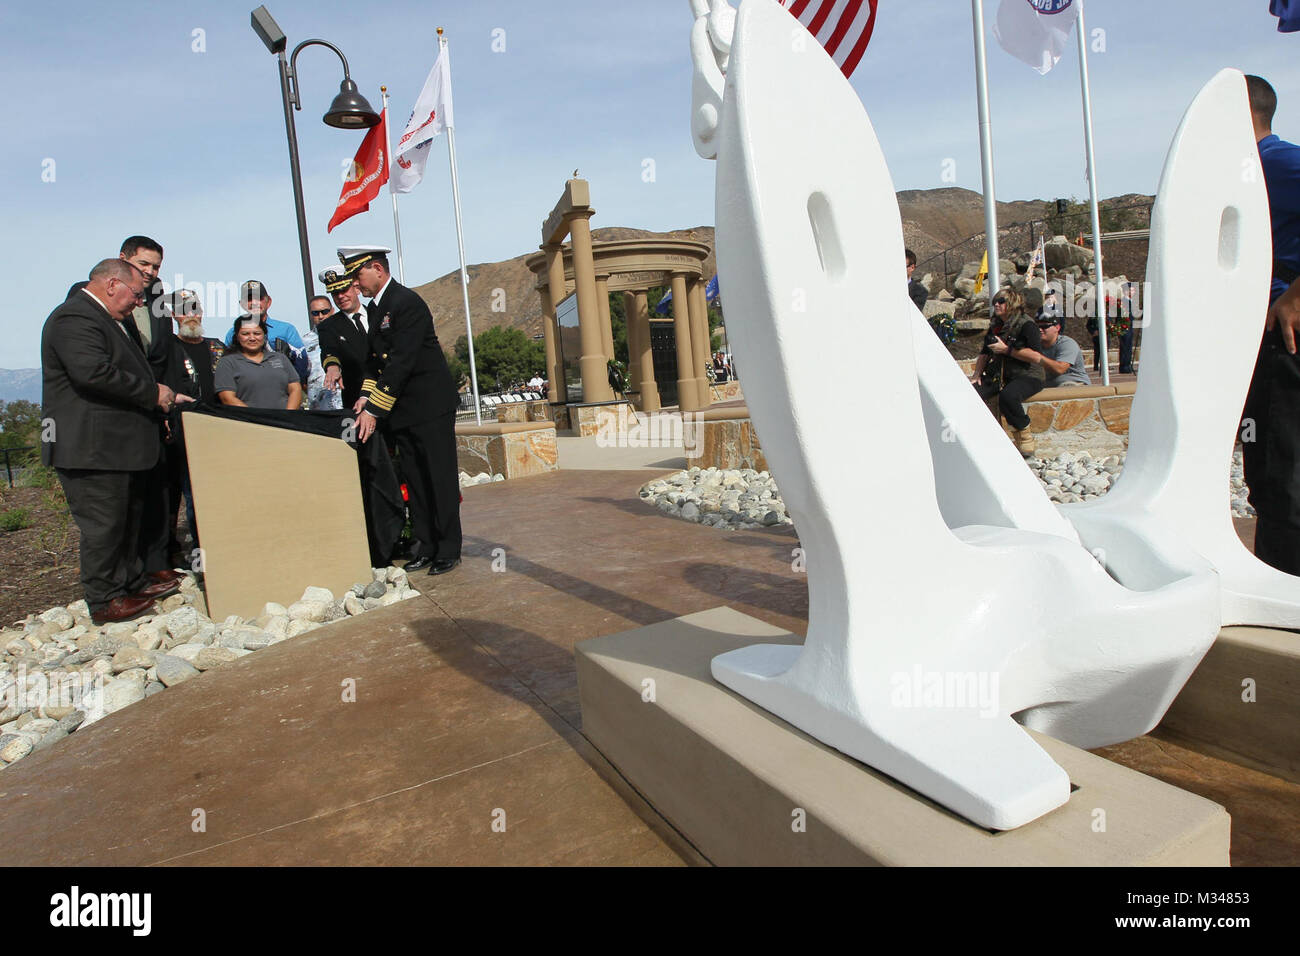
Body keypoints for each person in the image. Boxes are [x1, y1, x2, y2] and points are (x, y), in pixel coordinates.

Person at [41, 260, 184, 625]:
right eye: (136, 294)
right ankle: (105, 599)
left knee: (128, 519)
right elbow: (94, 374)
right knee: (104, 525)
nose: (140, 302)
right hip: (92, 448)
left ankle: (131, 583)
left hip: (121, 446)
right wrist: (152, 393)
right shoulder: (73, 318)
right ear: (111, 284)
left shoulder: (113, 322)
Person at [341, 244, 462, 575]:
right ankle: (425, 545)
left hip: (429, 405)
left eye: (358, 275)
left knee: (439, 478)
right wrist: (365, 397)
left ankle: (448, 548)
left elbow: (400, 363)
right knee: (416, 481)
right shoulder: (377, 310)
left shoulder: (406, 303)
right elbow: (372, 363)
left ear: (378, 269)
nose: (355, 283)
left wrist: (374, 411)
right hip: (403, 410)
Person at [1243, 74, 1300, 574]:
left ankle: (1284, 609)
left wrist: (1296, 294)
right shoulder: (1246, 171)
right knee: (1264, 472)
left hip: (1288, 345)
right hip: (1260, 347)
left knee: (1285, 475)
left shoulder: (1275, 162)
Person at [163, 291, 225, 558]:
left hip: (221, 430)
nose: (191, 314)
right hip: (185, 429)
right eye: (184, 309)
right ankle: (203, 553)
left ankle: (226, 543)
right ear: (174, 315)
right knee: (193, 493)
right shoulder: (166, 348)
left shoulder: (218, 346)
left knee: (221, 490)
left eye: (195, 308)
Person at [970, 289, 1045, 457]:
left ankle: (1024, 439)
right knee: (973, 394)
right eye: (994, 302)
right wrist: (976, 376)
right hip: (1001, 374)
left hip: (1028, 375)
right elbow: (984, 353)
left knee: (1008, 396)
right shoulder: (996, 326)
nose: (996, 304)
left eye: (1001, 301)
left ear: (1012, 303)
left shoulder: (1027, 325)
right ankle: (989, 440)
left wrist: (1007, 350)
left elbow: (1036, 356)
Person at [222, 281, 309, 384]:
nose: (254, 303)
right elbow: (226, 370)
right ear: (242, 304)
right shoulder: (232, 334)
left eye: (259, 298)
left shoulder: (286, 329)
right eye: (249, 299)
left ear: (269, 301)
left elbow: (302, 365)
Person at [214, 317, 303, 410]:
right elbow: (227, 398)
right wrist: (256, 419)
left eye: (257, 333)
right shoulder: (227, 362)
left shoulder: (280, 358)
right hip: (247, 421)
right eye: (245, 334)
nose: (252, 338)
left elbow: (295, 389)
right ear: (237, 337)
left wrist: (287, 415)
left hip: (284, 421)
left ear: (264, 336)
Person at [314, 267, 371, 409]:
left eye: (344, 290)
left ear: (356, 288)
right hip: (357, 400)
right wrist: (332, 367)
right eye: (335, 293)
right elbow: (329, 350)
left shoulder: (378, 314)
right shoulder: (329, 326)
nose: (340, 296)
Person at [302, 293, 341, 410]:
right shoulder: (303, 342)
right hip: (319, 407)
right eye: (315, 313)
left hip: (345, 402)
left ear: (332, 311)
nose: (321, 316)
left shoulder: (345, 334)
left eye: (325, 311)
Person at [1031, 314, 1091, 388]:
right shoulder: (1034, 345)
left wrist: (1037, 358)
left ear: (1057, 327)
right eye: (1037, 327)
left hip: (1075, 384)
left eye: (1045, 326)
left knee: (1066, 387)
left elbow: (1060, 368)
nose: (1040, 330)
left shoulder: (1067, 343)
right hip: (1049, 385)